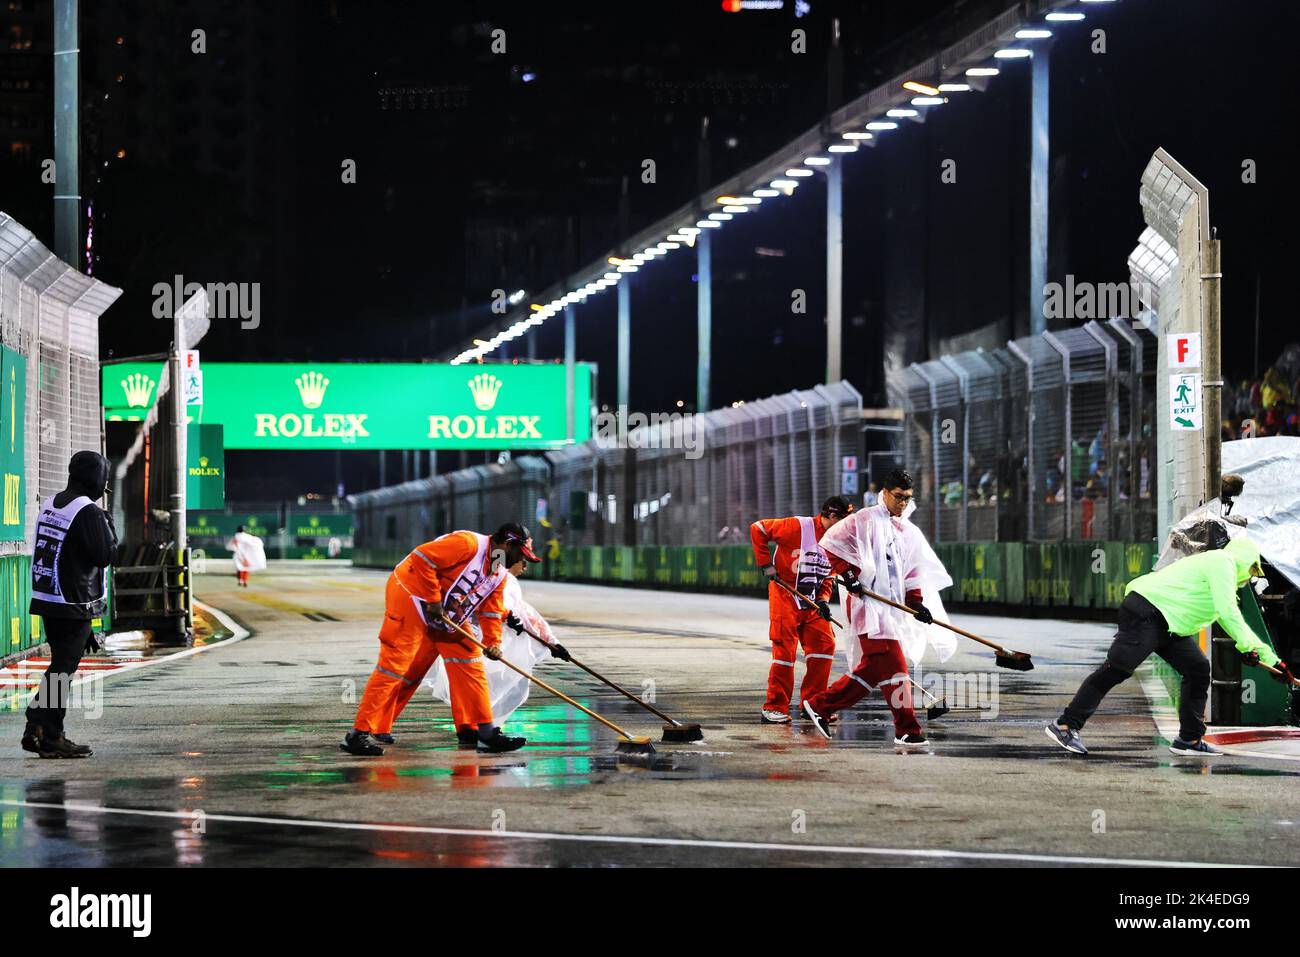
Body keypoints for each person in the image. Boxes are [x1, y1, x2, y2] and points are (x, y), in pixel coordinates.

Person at [1046, 536, 1291, 757]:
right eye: (1252, 570)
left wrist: (1272, 661)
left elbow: (1228, 618)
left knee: (1197, 670)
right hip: (1147, 611)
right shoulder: (1222, 563)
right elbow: (1228, 613)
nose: (1251, 577)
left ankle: (1189, 739)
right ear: (1245, 560)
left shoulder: (1223, 574)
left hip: (1168, 623)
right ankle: (1065, 725)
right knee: (1116, 670)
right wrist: (1249, 648)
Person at [341, 522, 540, 756]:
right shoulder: (468, 544)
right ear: (507, 544)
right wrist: (433, 599)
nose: (521, 560)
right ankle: (357, 734)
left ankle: (486, 732)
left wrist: (493, 642)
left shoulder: (498, 569)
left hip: (446, 610)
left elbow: (490, 610)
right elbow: (422, 558)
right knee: (394, 667)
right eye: (520, 554)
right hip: (411, 596)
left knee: (471, 662)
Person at [801, 469, 956, 750]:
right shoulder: (864, 519)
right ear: (884, 493)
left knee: (871, 672)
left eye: (908, 498)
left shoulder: (907, 530)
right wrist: (848, 575)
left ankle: (820, 705)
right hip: (869, 608)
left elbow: (912, 571)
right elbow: (831, 543)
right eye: (898, 496)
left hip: (892, 612)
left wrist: (916, 602)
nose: (903, 503)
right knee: (896, 669)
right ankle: (907, 729)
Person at [22, 451, 117, 759]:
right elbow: (104, 555)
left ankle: (39, 727)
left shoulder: (52, 504)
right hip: (73, 600)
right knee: (63, 668)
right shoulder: (88, 511)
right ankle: (49, 733)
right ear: (96, 479)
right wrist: (109, 526)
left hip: (49, 597)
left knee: (60, 664)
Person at [426, 556, 570, 723]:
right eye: (522, 561)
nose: (525, 567)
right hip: (476, 641)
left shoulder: (504, 579)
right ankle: (479, 726)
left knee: (485, 687)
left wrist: (552, 642)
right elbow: (491, 609)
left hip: (489, 644)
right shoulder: (496, 576)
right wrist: (506, 618)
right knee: (476, 686)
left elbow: (524, 612)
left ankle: (480, 725)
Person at [750, 496, 854, 724]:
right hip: (785, 594)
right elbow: (758, 528)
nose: (847, 527)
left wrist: (823, 600)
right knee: (784, 652)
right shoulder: (798, 526)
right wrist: (766, 564)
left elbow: (828, 576)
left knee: (825, 645)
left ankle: (813, 705)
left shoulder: (837, 541)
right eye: (844, 521)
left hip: (811, 601)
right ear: (832, 516)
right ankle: (774, 707)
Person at [226, 523, 266, 588]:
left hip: (239, 555)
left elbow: (230, 546)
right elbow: (257, 543)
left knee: (240, 569)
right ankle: (244, 581)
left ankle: (241, 581)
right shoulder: (247, 537)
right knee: (245, 569)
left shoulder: (236, 537)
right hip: (246, 555)